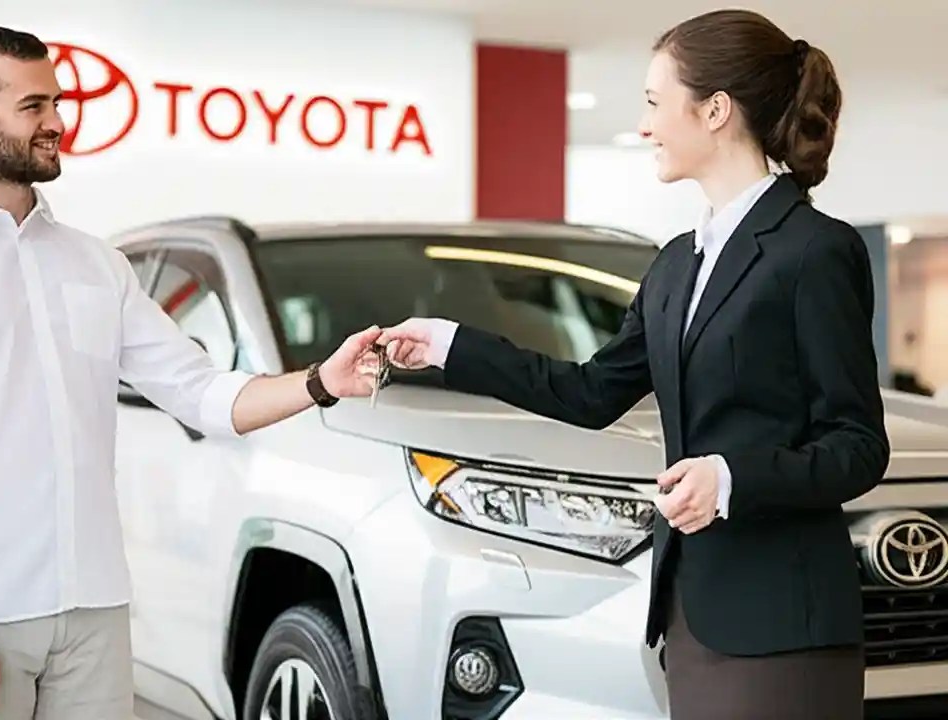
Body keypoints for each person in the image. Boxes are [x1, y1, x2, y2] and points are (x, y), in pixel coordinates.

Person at [0, 26, 383, 720]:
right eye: (34, 106)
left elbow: (201, 393)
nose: (57, 122)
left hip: (95, 608)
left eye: (57, 102)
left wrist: (321, 381)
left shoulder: (96, 264)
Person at [378, 9, 888, 720]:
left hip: (785, 628)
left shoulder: (814, 251)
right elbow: (590, 392)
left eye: (654, 102)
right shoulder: (677, 263)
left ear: (714, 110)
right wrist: (449, 345)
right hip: (692, 617)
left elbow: (857, 447)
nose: (645, 125)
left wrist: (730, 476)